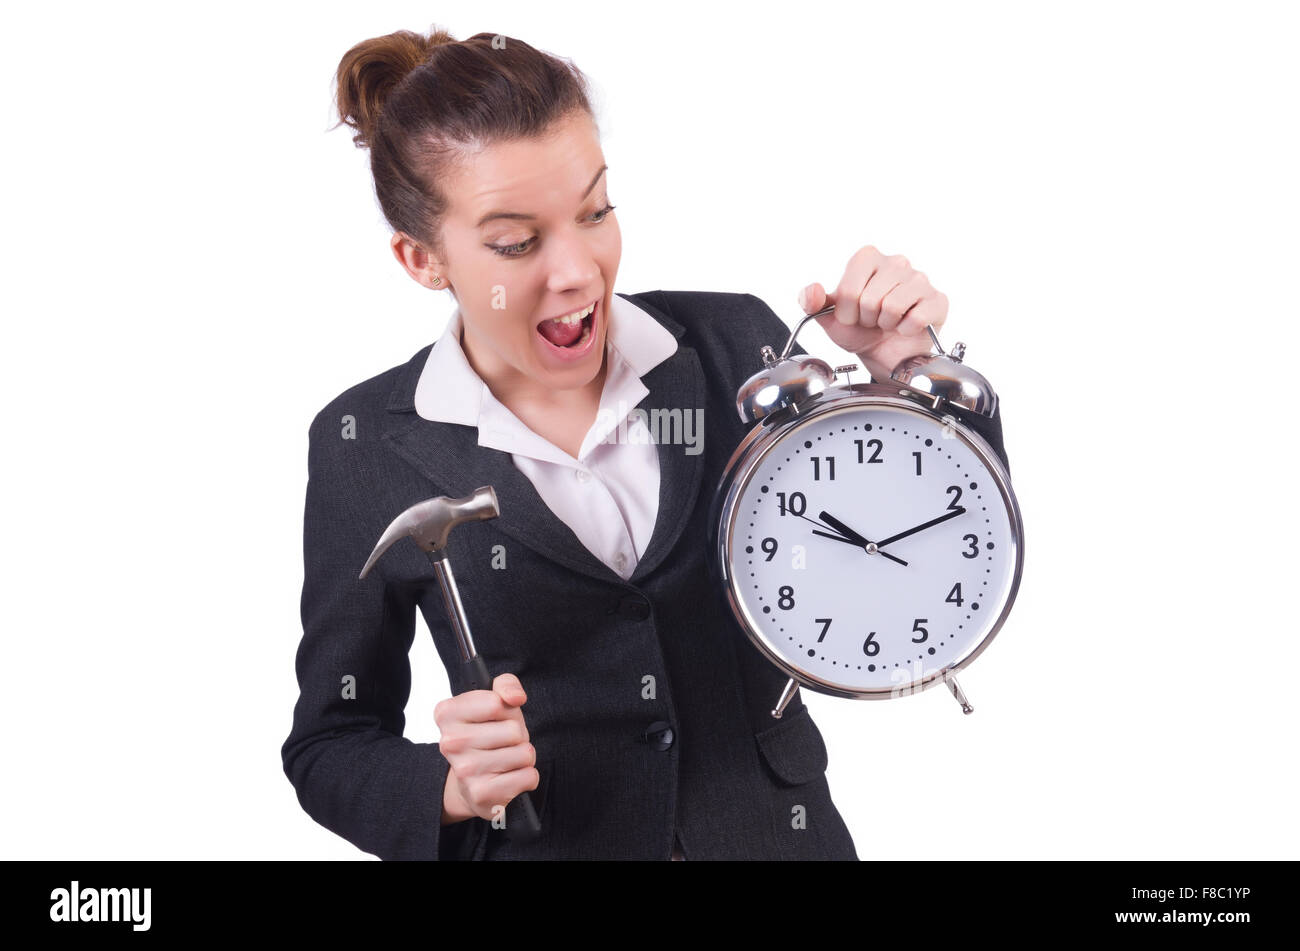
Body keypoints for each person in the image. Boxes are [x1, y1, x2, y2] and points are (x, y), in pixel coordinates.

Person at [280, 25, 1010, 861]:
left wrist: (906, 371)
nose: (579, 270)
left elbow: (942, 558)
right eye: (516, 242)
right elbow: (329, 744)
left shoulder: (733, 344)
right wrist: (447, 790)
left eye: (594, 211)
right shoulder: (368, 444)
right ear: (421, 259)